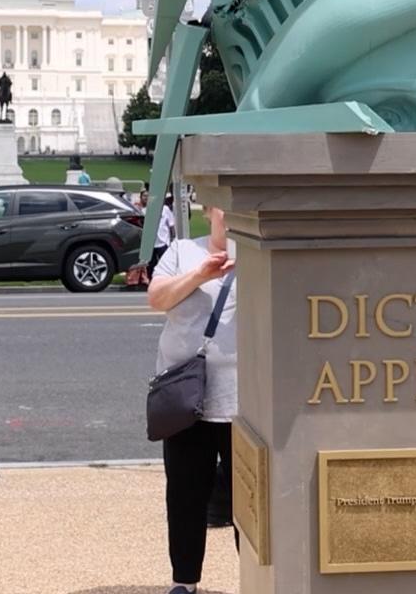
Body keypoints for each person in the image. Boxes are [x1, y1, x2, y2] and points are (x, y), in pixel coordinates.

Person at [148, 205, 236, 594]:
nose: (230, 211)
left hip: (245, 404)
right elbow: (158, 298)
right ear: (208, 209)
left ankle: (255, 579)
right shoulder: (183, 251)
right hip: (188, 400)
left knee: (249, 505)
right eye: (223, 203)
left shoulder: (264, 255)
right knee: (184, 496)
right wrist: (201, 274)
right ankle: (184, 581)